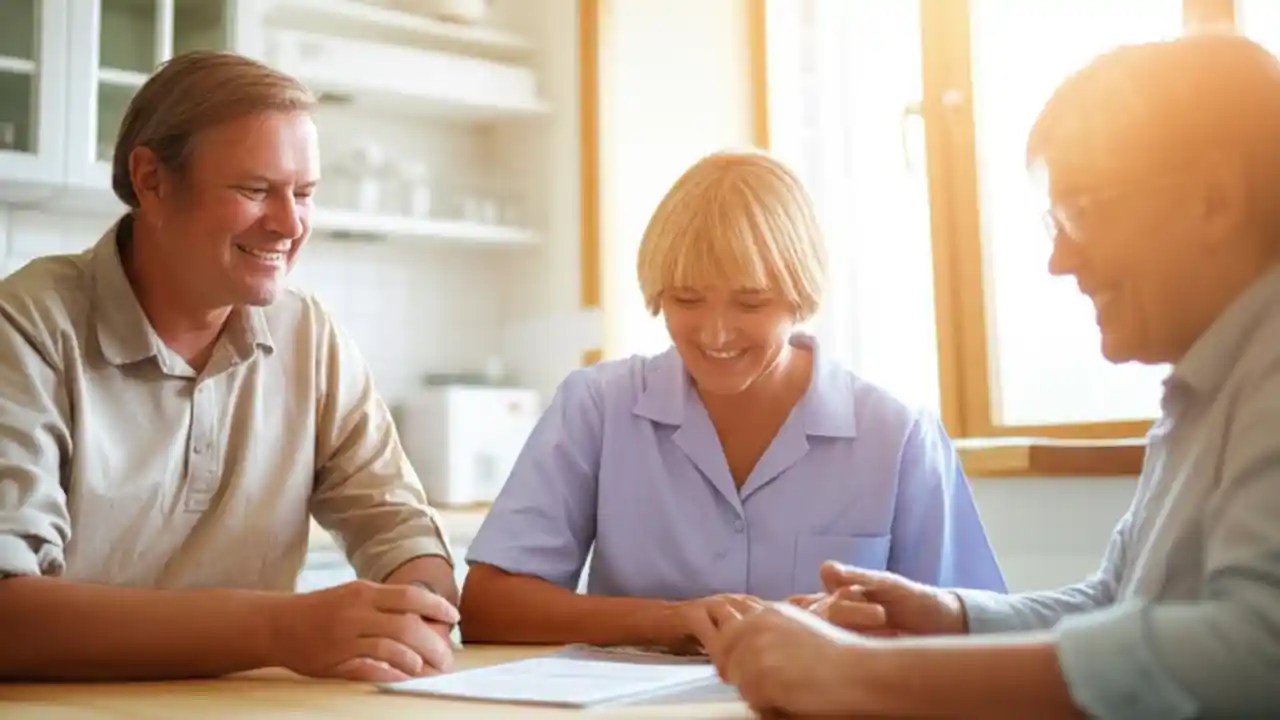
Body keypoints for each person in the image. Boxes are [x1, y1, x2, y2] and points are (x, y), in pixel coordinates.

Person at [704, 34, 1280, 719]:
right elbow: (1113, 603)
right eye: (1053, 224)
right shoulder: (1205, 390)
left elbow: (1258, 648)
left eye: (1082, 214)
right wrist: (946, 614)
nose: (1059, 261)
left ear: (1214, 201)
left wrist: (862, 677)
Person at [0, 52, 459, 682]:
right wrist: (281, 628)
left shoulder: (309, 336)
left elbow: (401, 532)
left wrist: (418, 605)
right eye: (254, 190)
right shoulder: (27, 325)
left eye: (304, 194)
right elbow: (9, 617)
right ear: (151, 180)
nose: (289, 224)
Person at [459, 150, 1005, 651]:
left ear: (799, 296)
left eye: (750, 303)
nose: (715, 334)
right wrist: (670, 620)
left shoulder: (897, 434)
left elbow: (975, 637)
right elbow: (489, 606)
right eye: (687, 299)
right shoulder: (599, 406)